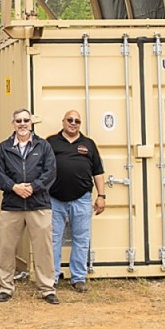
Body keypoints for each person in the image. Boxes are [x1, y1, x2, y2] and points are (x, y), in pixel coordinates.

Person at [0, 108, 58, 304]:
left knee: (43, 249)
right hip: (12, 205)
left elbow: (50, 172)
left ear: (31, 123)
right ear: (13, 123)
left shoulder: (43, 146)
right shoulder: (3, 148)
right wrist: (14, 187)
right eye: (18, 121)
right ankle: (5, 287)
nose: (22, 124)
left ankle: (47, 288)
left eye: (26, 120)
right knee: (6, 248)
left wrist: (32, 187)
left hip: (38, 205)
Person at [47, 109, 106, 292]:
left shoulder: (88, 144)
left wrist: (101, 196)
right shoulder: (51, 142)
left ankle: (78, 278)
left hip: (81, 199)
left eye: (77, 121)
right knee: (53, 239)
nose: (73, 123)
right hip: (55, 199)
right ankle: (53, 277)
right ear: (63, 121)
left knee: (81, 239)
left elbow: (98, 172)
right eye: (70, 120)